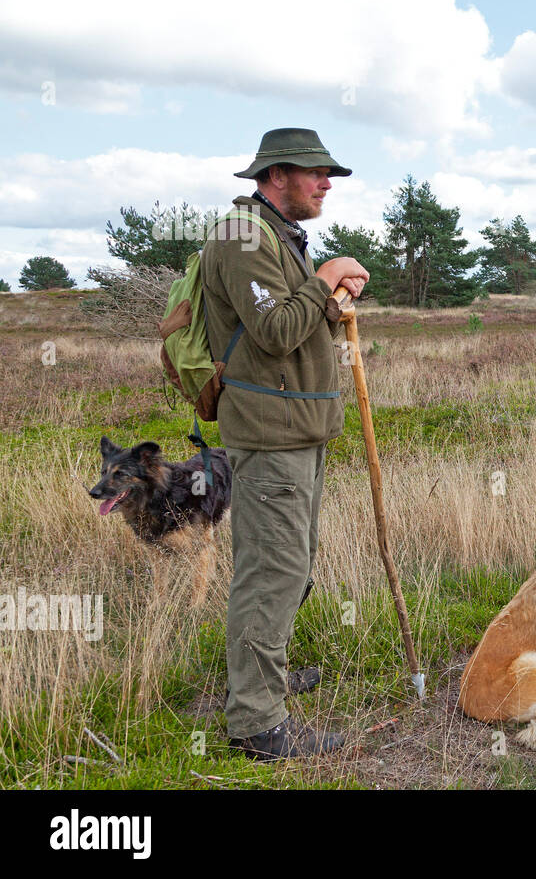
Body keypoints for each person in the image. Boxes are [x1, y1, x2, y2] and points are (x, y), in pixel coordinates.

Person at [201, 128, 369, 760]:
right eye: (316, 173)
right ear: (276, 176)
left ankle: (261, 680)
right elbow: (273, 333)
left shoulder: (275, 236)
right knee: (271, 573)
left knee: (289, 566)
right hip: (271, 436)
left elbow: (293, 324)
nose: (327, 184)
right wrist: (325, 277)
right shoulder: (241, 237)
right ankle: (257, 724)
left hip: (296, 430)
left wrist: (332, 291)